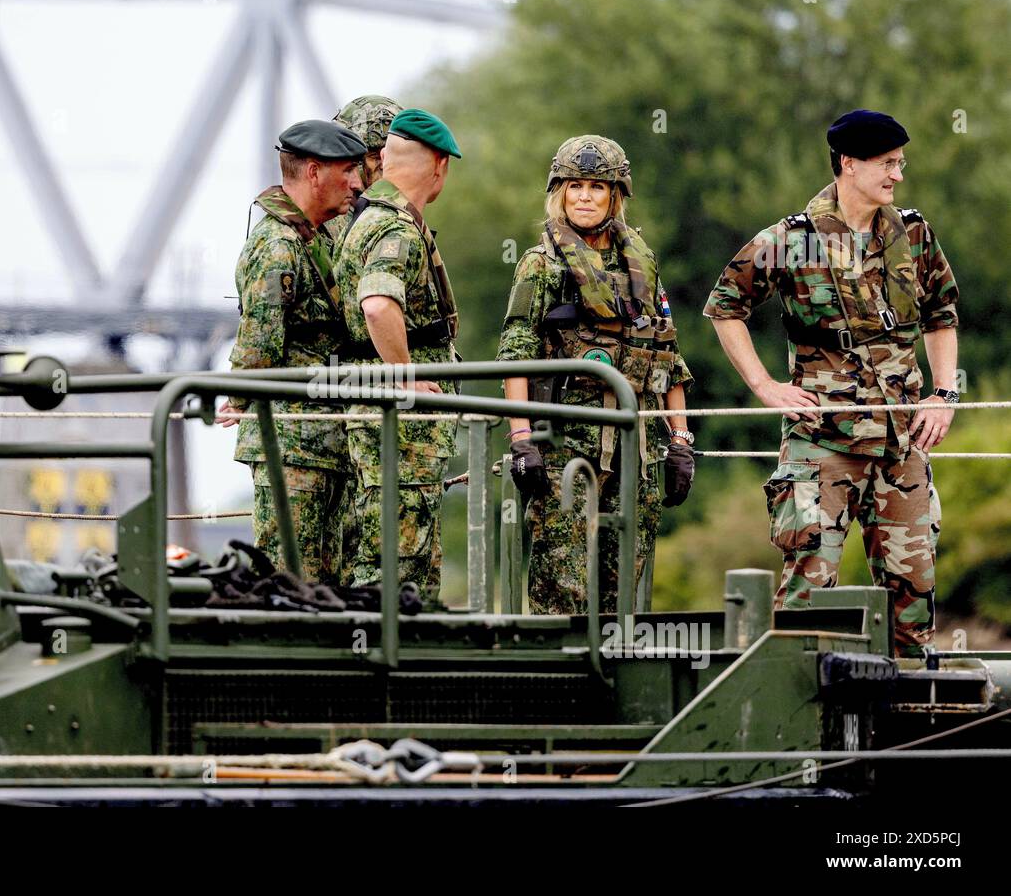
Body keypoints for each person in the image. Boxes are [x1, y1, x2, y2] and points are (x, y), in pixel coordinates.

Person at [704, 109, 959, 657]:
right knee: (806, 594)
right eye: (887, 164)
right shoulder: (790, 239)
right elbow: (725, 306)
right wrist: (764, 385)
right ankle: (793, 724)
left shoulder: (912, 233)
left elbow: (942, 315)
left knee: (913, 595)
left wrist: (943, 394)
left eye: (900, 163)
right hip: (821, 441)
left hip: (902, 441)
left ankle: (907, 718)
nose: (897, 175)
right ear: (849, 163)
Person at [498, 135, 694, 615]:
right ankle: (560, 687)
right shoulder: (541, 263)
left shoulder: (641, 264)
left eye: (596, 187)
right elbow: (515, 352)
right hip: (570, 442)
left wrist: (682, 441)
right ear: (559, 192)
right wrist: (522, 440)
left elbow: (669, 357)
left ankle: (616, 685)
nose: (584, 196)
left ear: (616, 195)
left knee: (622, 587)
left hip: (639, 445)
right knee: (561, 591)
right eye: (574, 186)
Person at [218, 119, 365, 587]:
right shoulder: (276, 246)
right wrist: (238, 399)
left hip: (326, 439)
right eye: (349, 171)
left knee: (327, 584)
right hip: (291, 448)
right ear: (315, 172)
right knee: (288, 580)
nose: (358, 183)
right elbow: (259, 348)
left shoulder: (317, 237)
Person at [334, 108, 461, 599]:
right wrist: (405, 375)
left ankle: (403, 643)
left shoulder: (368, 218)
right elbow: (378, 304)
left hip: (380, 408)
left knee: (397, 543)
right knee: (397, 550)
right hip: (401, 417)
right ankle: (387, 651)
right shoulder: (396, 229)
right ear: (439, 166)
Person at [325, 95, 401, 246]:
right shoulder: (330, 224)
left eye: (392, 153)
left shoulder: (398, 212)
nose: (385, 164)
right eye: (375, 156)